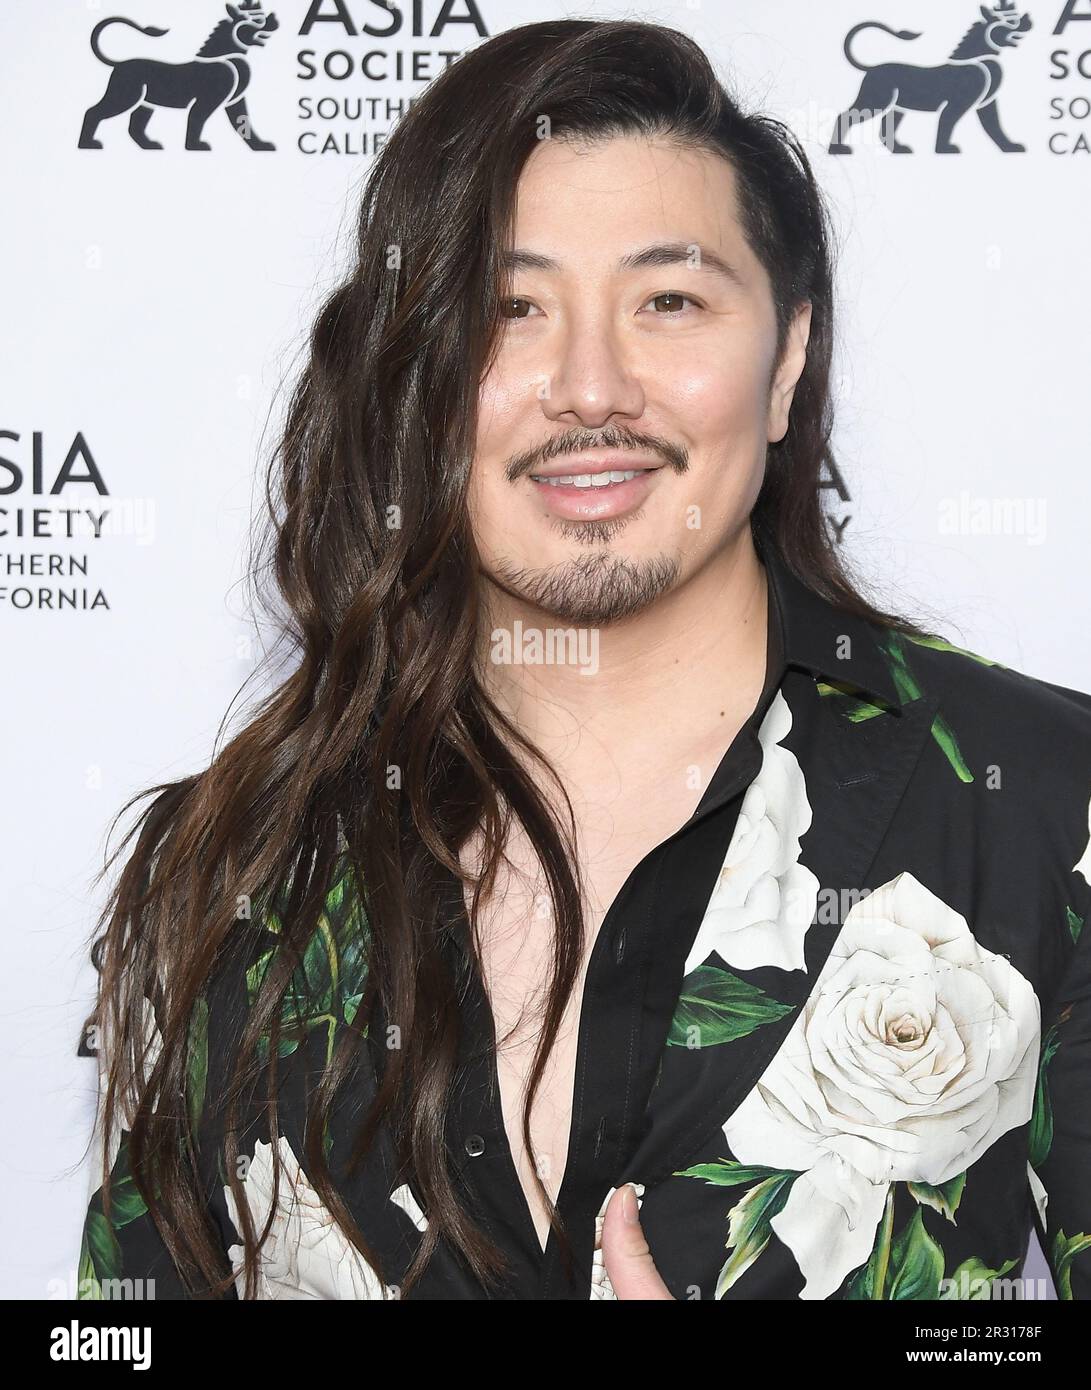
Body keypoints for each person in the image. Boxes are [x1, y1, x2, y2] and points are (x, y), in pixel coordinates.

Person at [77, 18, 1091, 1302]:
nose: (591, 386)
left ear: (783, 363)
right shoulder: (240, 864)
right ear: (417, 379)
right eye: (509, 307)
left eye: (668, 300)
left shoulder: (1047, 805)